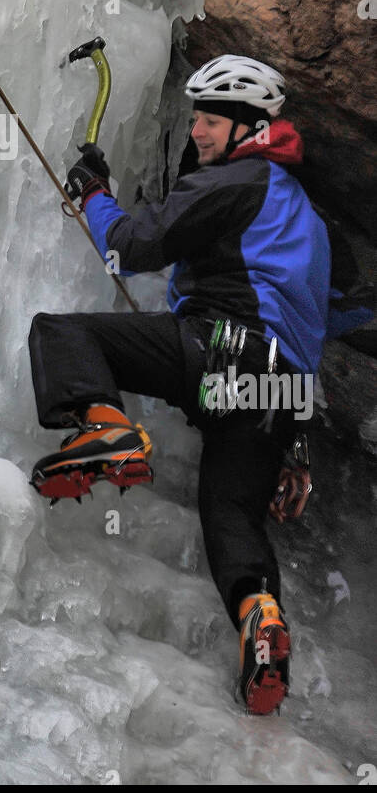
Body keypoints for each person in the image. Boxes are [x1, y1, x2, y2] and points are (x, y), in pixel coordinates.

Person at [27, 54, 367, 715]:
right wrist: (293, 445)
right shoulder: (317, 228)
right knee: (229, 515)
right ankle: (259, 622)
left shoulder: (237, 179)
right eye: (197, 119)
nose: (199, 133)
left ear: (246, 128)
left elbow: (133, 246)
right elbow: (328, 320)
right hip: (277, 395)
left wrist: (91, 192)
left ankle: (106, 428)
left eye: (209, 119)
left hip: (221, 350)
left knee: (62, 332)